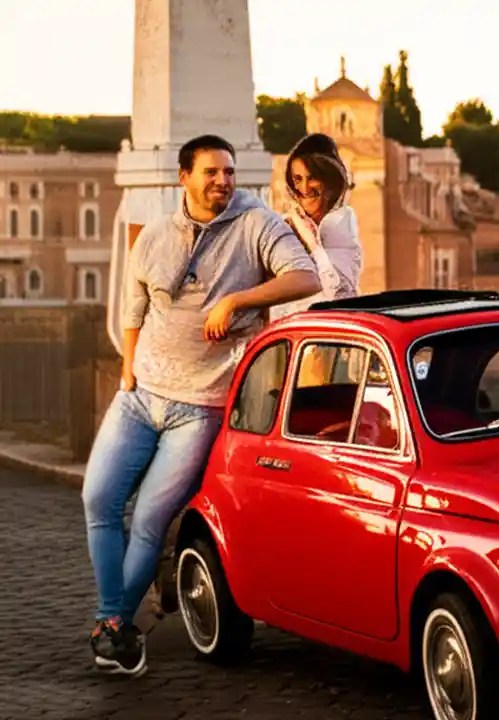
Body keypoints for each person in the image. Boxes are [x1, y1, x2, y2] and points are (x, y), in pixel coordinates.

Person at [81, 134, 321, 677]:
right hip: (140, 397)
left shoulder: (257, 224)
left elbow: (305, 276)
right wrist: (126, 376)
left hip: (201, 407)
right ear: (183, 178)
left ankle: (111, 625)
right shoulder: (156, 234)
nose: (224, 182)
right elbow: (133, 305)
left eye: (230, 172)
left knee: (148, 520)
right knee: (98, 500)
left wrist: (238, 299)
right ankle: (114, 623)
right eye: (211, 172)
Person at [269, 132, 363, 321]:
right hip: (287, 336)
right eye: (297, 179)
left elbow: (335, 294)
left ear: (329, 182)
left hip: (329, 335)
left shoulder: (342, 224)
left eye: (312, 178)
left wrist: (311, 243)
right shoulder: (284, 224)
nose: (304, 188)